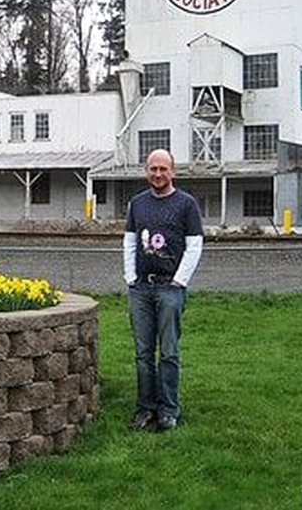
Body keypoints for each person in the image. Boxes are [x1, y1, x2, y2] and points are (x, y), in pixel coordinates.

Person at [123, 148, 204, 432]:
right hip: (141, 289)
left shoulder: (186, 204)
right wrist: (130, 277)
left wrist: (179, 281)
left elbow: (194, 245)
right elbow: (130, 241)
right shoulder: (137, 204)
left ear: (173, 171)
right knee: (143, 354)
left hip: (170, 287)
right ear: (147, 171)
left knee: (168, 352)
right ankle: (146, 408)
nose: (158, 174)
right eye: (153, 169)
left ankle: (169, 409)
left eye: (163, 169)